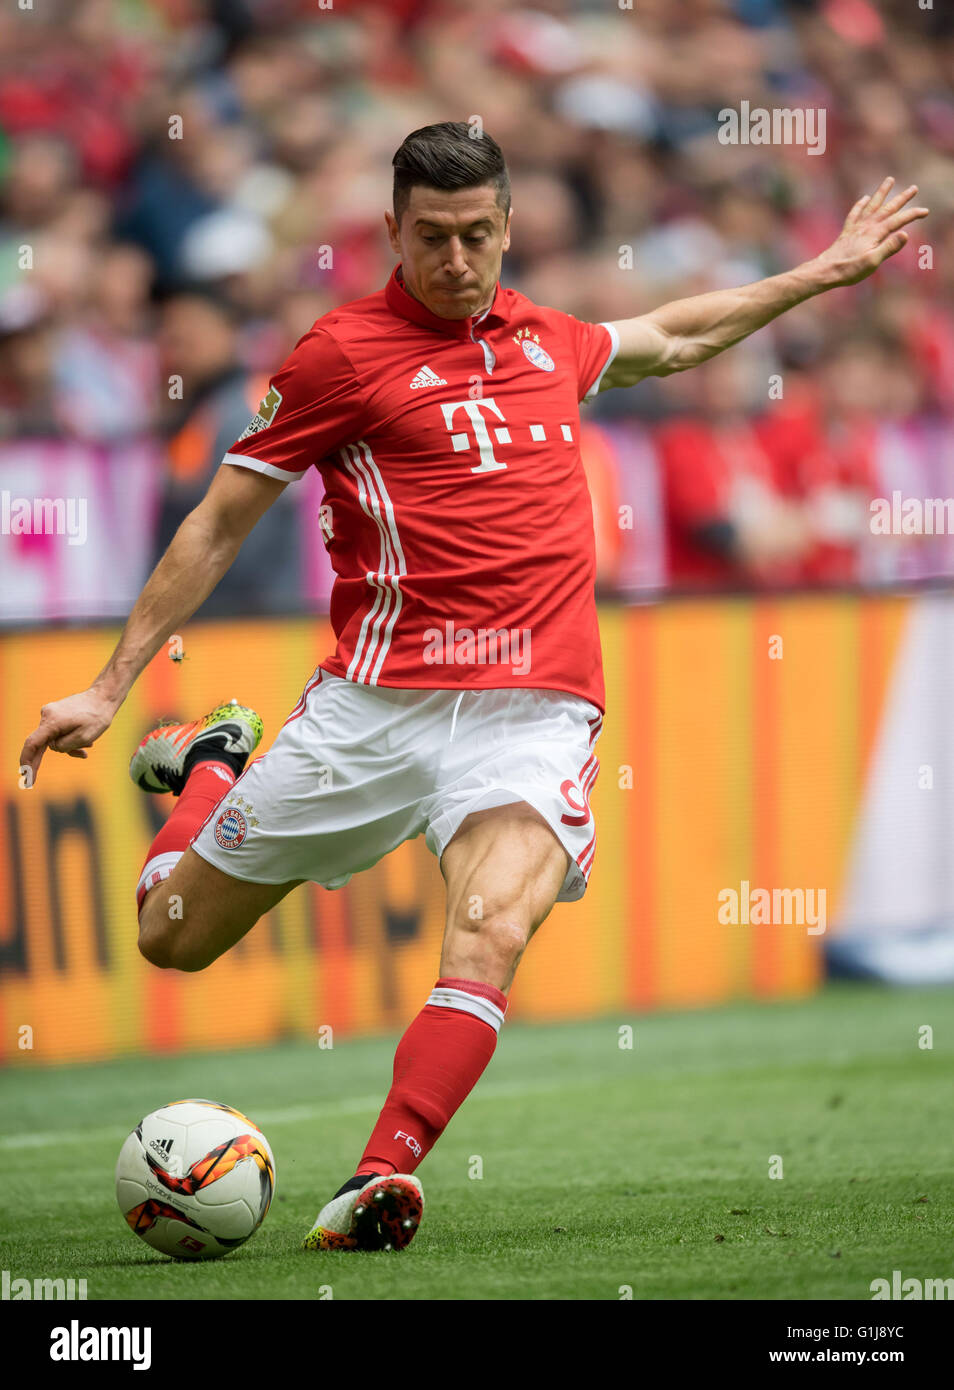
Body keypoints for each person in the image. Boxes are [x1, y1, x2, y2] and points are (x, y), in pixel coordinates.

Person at [19, 122, 927, 1253]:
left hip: (534, 710)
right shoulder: (336, 358)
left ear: (507, 230)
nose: (458, 260)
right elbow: (217, 521)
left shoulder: (550, 340)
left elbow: (676, 335)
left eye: (480, 236)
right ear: (394, 231)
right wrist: (112, 686)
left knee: (491, 924)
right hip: (371, 710)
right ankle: (214, 761)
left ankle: (378, 1179)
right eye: (434, 237)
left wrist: (823, 272)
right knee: (169, 936)